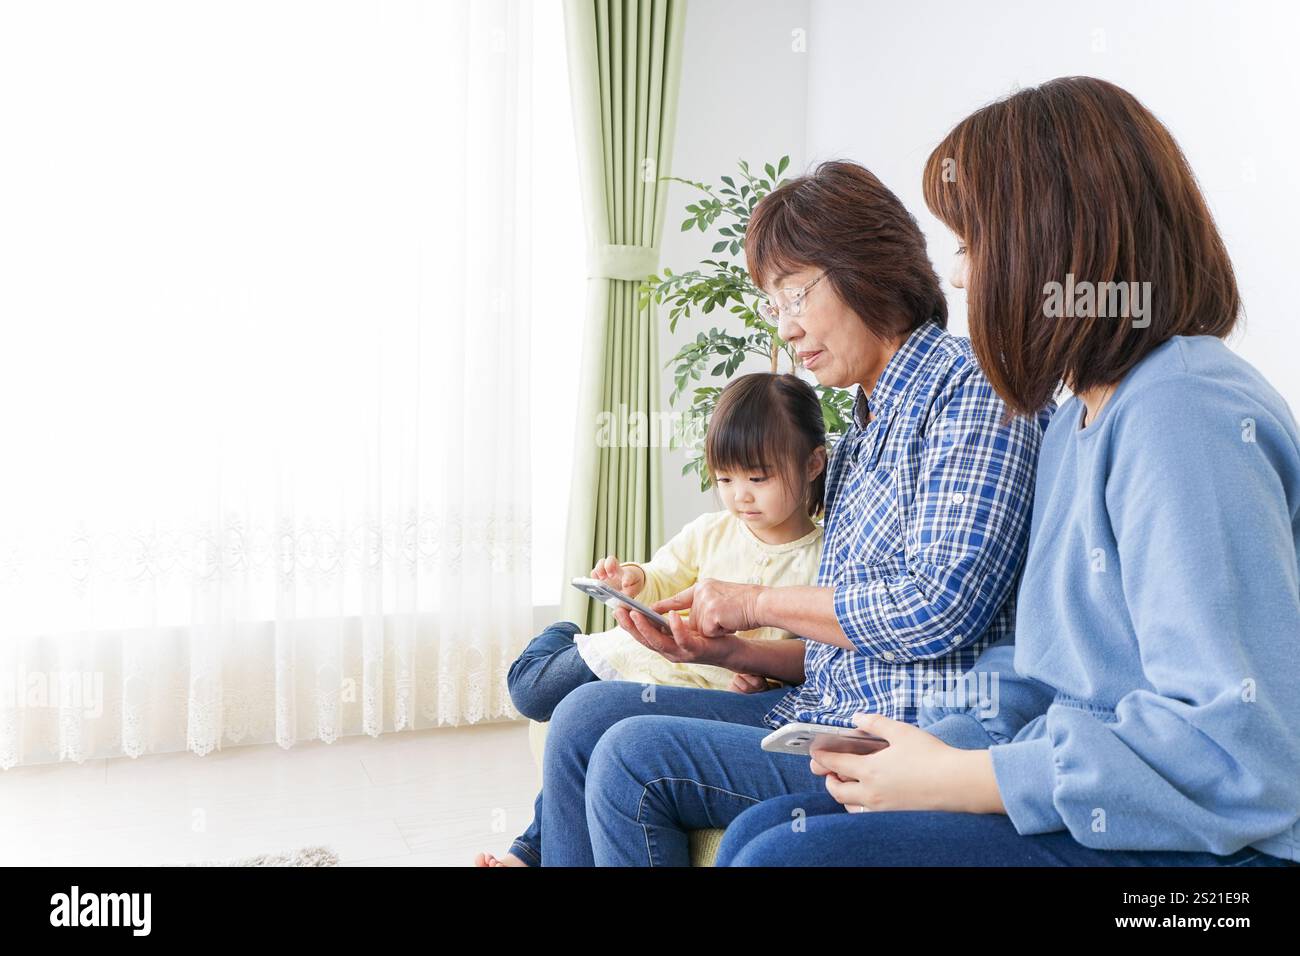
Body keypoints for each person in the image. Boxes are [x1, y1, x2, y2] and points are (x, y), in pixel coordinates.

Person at [715, 76, 1300, 867]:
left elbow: (1238, 754)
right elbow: (1042, 678)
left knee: (782, 859)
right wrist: (930, 752)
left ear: (1055, 246)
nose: (959, 277)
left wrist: (971, 775)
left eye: (969, 244)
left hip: (1205, 860)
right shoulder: (1078, 421)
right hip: (1094, 797)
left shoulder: (1182, 415)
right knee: (766, 834)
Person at [536, 160, 1048, 866]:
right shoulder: (862, 429)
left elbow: (939, 608)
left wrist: (752, 602)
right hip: (817, 708)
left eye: (794, 295)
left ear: (865, 268)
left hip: (896, 734)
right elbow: (851, 643)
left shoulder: (971, 394)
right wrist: (729, 650)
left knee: (631, 755)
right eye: (772, 306)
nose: (787, 328)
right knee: (582, 716)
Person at [475, 371, 827, 866]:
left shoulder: (825, 554)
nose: (740, 496)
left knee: (583, 719)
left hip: (696, 683)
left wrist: (763, 678)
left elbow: (817, 656)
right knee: (536, 691)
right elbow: (666, 572)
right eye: (725, 479)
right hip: (642, 657)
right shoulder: (712, 531)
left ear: (813, 463)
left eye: (758, 478)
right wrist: (636, 579)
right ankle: (563, 634)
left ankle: (529, 848)